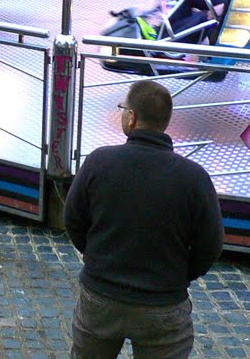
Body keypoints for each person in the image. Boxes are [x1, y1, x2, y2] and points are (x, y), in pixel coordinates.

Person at [64, 80, 223, 359]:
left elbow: (74, 220)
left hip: (101, 296)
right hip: (163, 304)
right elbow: (210, 245)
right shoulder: (193, 177)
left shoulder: (99, 162)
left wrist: (97, 258)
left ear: (132, 117)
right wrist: (178, 276)